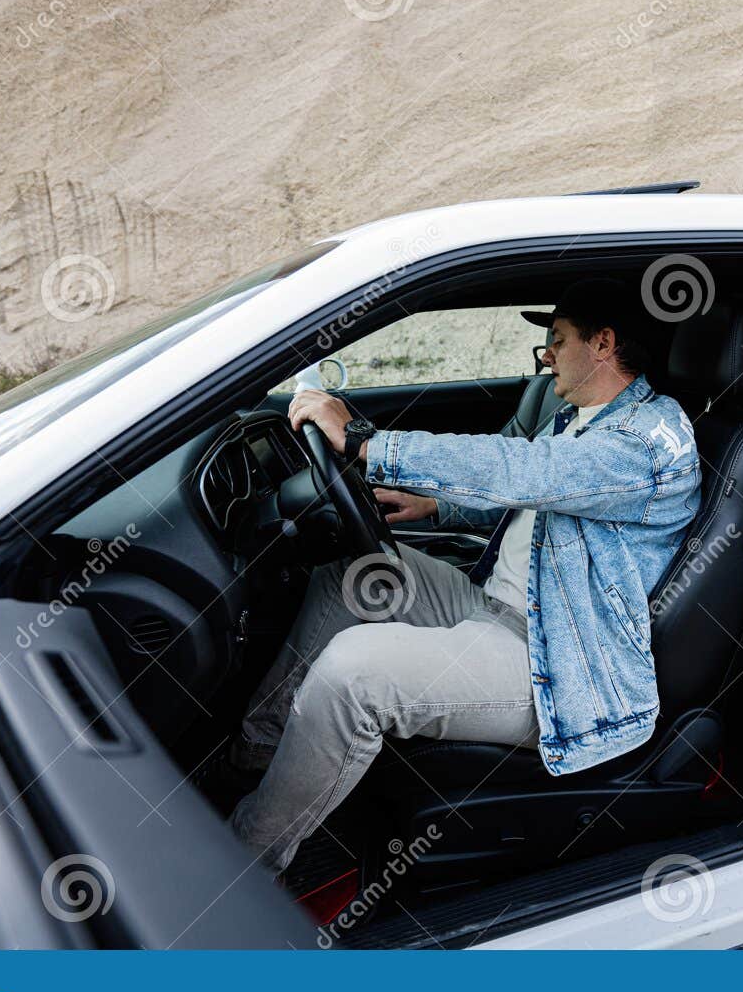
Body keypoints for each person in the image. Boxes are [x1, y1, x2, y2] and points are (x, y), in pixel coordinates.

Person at [229, 278, 701, 873]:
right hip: (498, 604)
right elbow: (534, 497)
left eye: (558, 339)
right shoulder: (585, 419)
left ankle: (245, 859)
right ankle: (262, 751)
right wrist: (437, 507)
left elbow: (524, 470)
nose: (547, 355)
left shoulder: (645, 441)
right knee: (356, 570)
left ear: (603, 343)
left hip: (553, 661)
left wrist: (367, 441)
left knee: (354, 672)